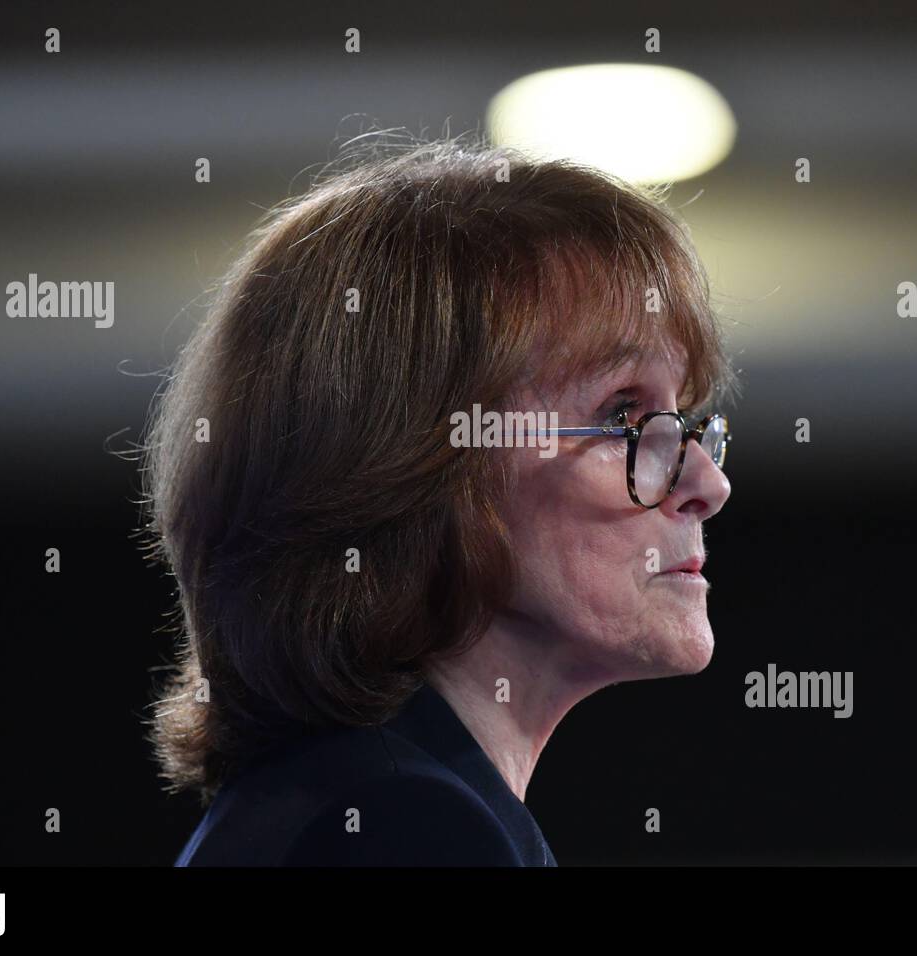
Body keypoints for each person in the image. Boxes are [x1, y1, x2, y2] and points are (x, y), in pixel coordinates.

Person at [141, 132, 740, 866]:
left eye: (688, 421)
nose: (707, 484)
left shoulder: (370, 801)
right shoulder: (402, 827)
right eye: (623, 417)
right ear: (412, 463)